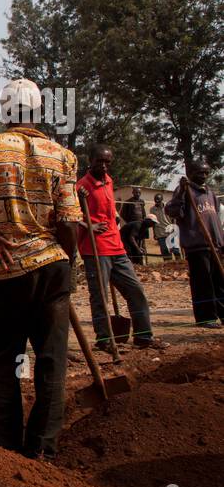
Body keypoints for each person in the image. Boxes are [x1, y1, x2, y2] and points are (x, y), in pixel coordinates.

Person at [0, 78, 80, 460]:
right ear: (39, 111)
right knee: (51, 361)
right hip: (52, 266)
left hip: (8, 270)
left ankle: (1, 449)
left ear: (6, 111)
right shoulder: (62, 155)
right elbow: (69, 220)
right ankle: (42, 448)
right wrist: (67, 265)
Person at [76, 147, 166, 351]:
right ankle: (104, 339)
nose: (104, 165)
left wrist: (114, 216)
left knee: (136, 291)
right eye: (100, 161)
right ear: (90, 160)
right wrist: (89, 225)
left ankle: (144, 337)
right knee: (100, 296)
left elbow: (109, 210)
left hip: (117, 247)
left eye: (108, 161)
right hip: (95, 249)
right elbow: (70, 214)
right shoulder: (81, 186)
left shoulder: (109, 181)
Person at [166, 161, 224, 328]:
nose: (203, 176)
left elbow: (216, 220)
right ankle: (206, 317)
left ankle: (222, 313)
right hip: (197, 245)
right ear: (190, 173)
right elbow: (172, 211)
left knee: (219, 281)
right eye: (199, 172)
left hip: (214, 244)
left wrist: (221, 240)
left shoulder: (210, 193)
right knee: (202, 282)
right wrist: (182, 192)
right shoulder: (184, 191)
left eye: (206, 173)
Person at [119, 187, 152, 264]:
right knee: (132, 244)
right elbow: (123, 214)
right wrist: (130, 223)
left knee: (141, 244)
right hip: (132, 226)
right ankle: (133, 262)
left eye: (139, 193)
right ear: (133, 193)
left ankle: (141, 262)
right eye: (136, 192)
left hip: (141, 226)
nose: (137, 194)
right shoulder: (128, 202)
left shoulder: (141, 202)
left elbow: (143, 213)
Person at [150, 193, 174, 259]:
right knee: (164, 251)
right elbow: (153, 222)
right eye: (155, 199)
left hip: (169, 232)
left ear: (162, 199)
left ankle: (179, 265)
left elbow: (173, 219)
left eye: (158, 199)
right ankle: (168, 266)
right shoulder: (152, 210)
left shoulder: (168, 207)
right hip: (160, 233)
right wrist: (154, 233)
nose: (157, 201)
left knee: (175, 250)